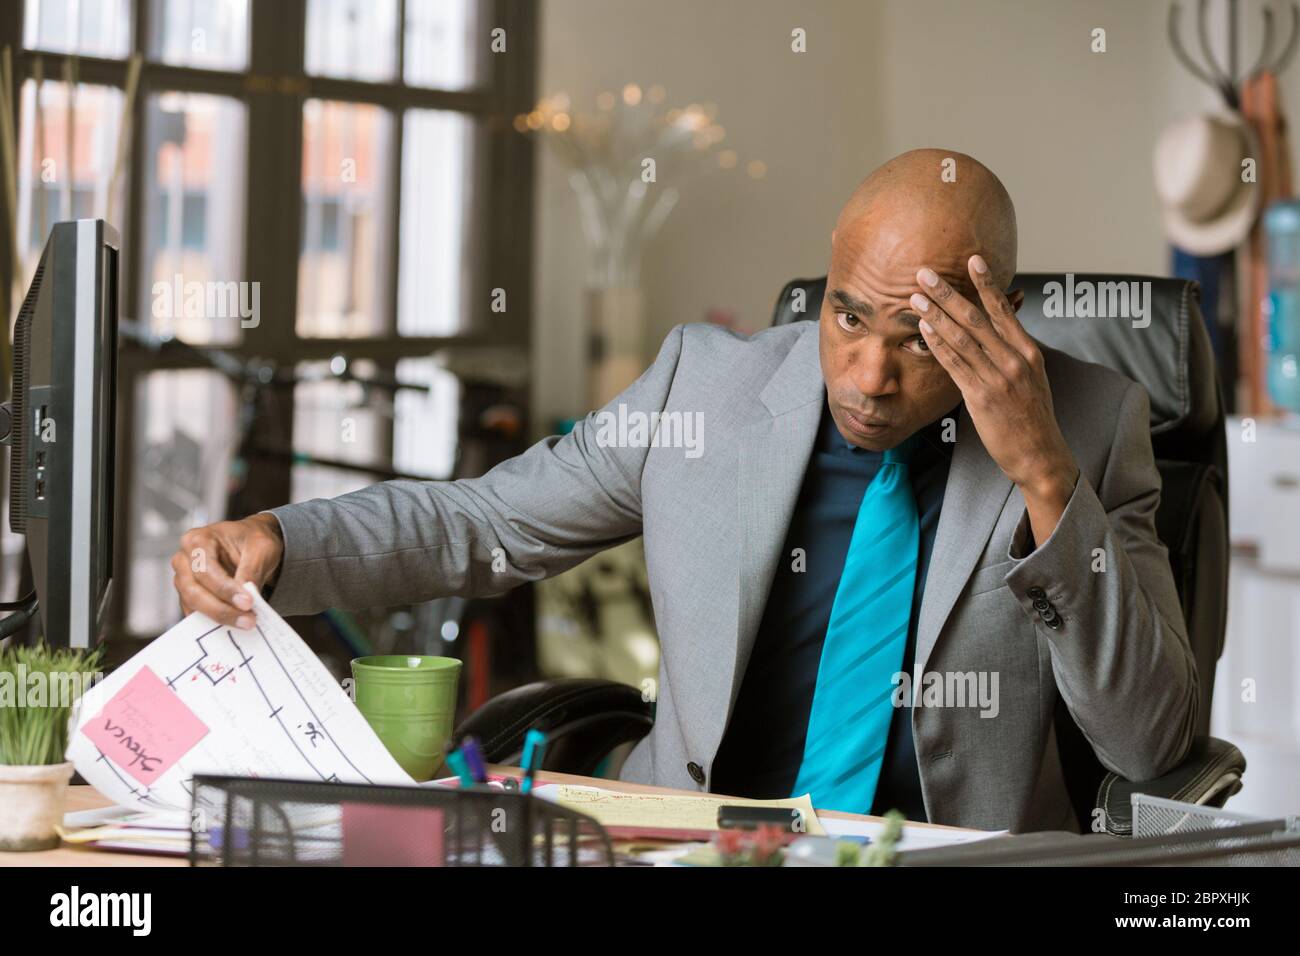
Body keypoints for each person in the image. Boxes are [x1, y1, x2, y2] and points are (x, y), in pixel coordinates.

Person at [170, 148, 1197, 832]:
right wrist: (279, 537)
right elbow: (486, 522)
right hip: (692, 842)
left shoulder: (1092, 425)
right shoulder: (704, 388)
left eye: (918, 338)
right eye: (847, 318)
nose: (870, 378)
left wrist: (1044, 474)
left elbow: (1148, 739)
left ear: (999, 314)